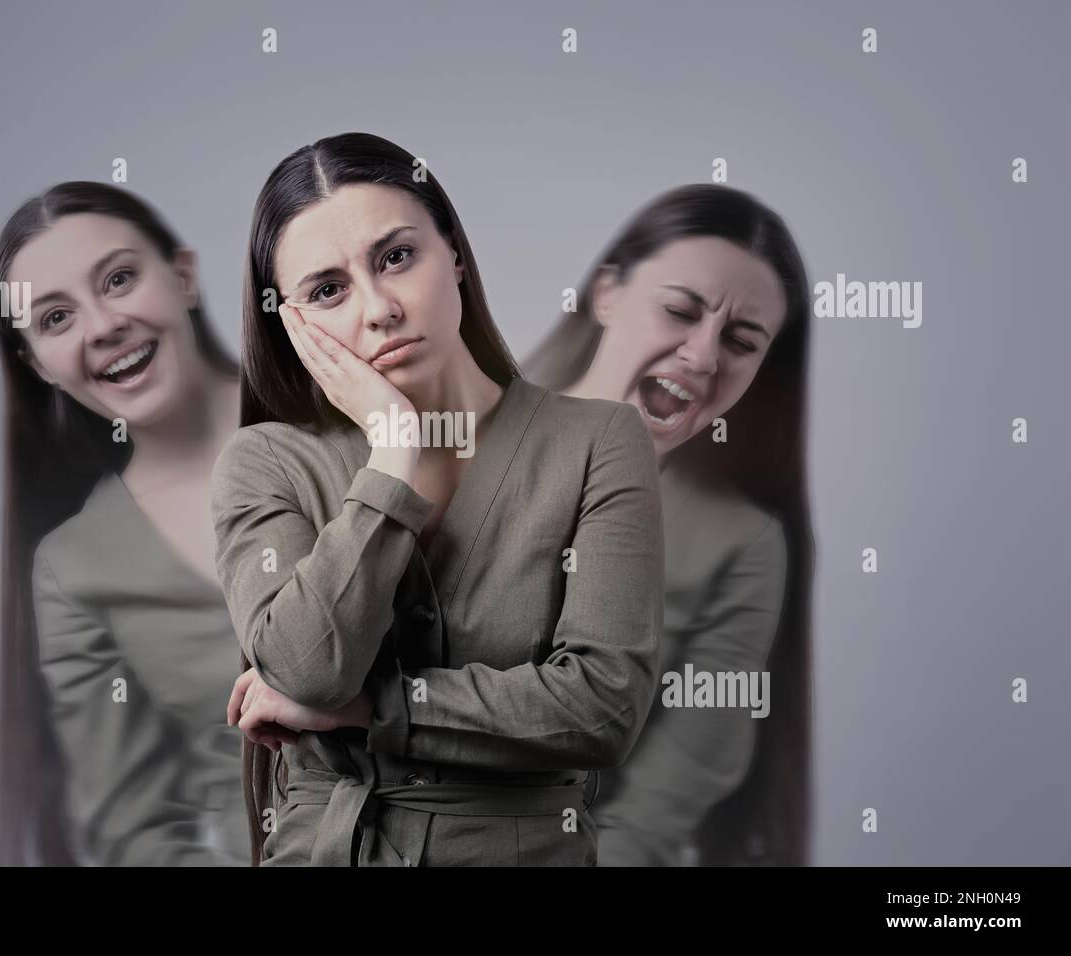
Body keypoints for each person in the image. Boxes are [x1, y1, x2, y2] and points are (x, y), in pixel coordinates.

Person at [210, 132, 664, 867]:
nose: (380, 309)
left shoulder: (599, 440)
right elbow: (308, 671)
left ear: (451, 251)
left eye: (396, 257)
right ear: (290, 323)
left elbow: (602, 708)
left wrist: (371, 709)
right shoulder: (265, 463)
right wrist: (394, 448)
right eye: (328, 290)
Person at [523, 183, 815, 866]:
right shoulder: (443, 443)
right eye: (680, 310)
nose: (705, 355)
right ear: (607, 294)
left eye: (742, 341)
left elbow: (662, 800)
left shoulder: (740, 544)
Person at [0, 181, 248, 865]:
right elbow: (137, 833)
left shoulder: (358, 409)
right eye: (54, 319)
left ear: (183, 276)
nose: (103, 326)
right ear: (35, 364)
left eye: (120, 279)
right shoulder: (77, 567)